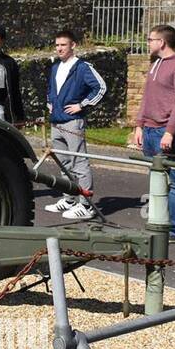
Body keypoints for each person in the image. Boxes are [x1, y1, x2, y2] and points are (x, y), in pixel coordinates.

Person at [134, 24, 175, 241]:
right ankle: (160, 222)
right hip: (149, 129)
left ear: (162, 42)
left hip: (166, 131)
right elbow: (147, 98)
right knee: (156, 178)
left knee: (173, 179)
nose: (148, 43)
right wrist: (139, 125)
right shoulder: (156, 64)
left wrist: (170, 132)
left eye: (150, 39)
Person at [43, 30, 107, 220]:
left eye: (63, 44)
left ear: (73, 45)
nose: (59, 48)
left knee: (79, 163)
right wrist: (50, 103)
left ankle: (86, 205)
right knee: (63, 163)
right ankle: (69, 198)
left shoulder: (82, 67)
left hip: (73, 123)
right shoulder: (55, 67)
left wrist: (82, 105)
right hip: (56, 121)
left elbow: (101, 87)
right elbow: (50, 89)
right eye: (57, 45)